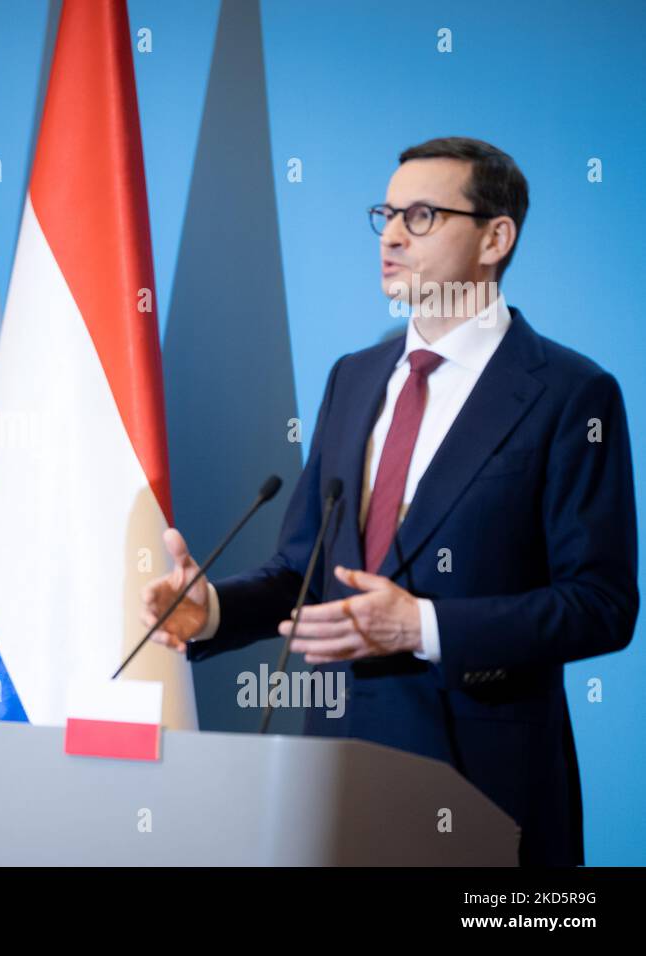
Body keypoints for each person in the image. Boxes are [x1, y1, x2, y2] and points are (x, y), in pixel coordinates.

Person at [142, 136, 637, 866]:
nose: (394, 235)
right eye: (388, 214)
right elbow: (304, 568)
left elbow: (601, 603)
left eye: (424, 215)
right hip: (341, 769)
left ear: (496, 237)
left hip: (485, 782)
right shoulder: (354, 377)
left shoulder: (570, 393)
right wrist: (212, 610)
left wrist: (422, 625)